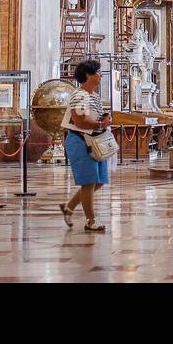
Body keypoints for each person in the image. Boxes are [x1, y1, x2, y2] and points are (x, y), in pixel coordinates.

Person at [59, 60, 112, 232]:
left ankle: (69, 207)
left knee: (99, 181)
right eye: (97, 71)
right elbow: (79, 120)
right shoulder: (79, 95)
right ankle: (91, 220)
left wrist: (103, 121)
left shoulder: (94, 96)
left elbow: (92, 117)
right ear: (88, 75)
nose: (100, 74)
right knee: (89, 182)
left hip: (94, 140)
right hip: (80, 141)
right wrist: (100, 125)